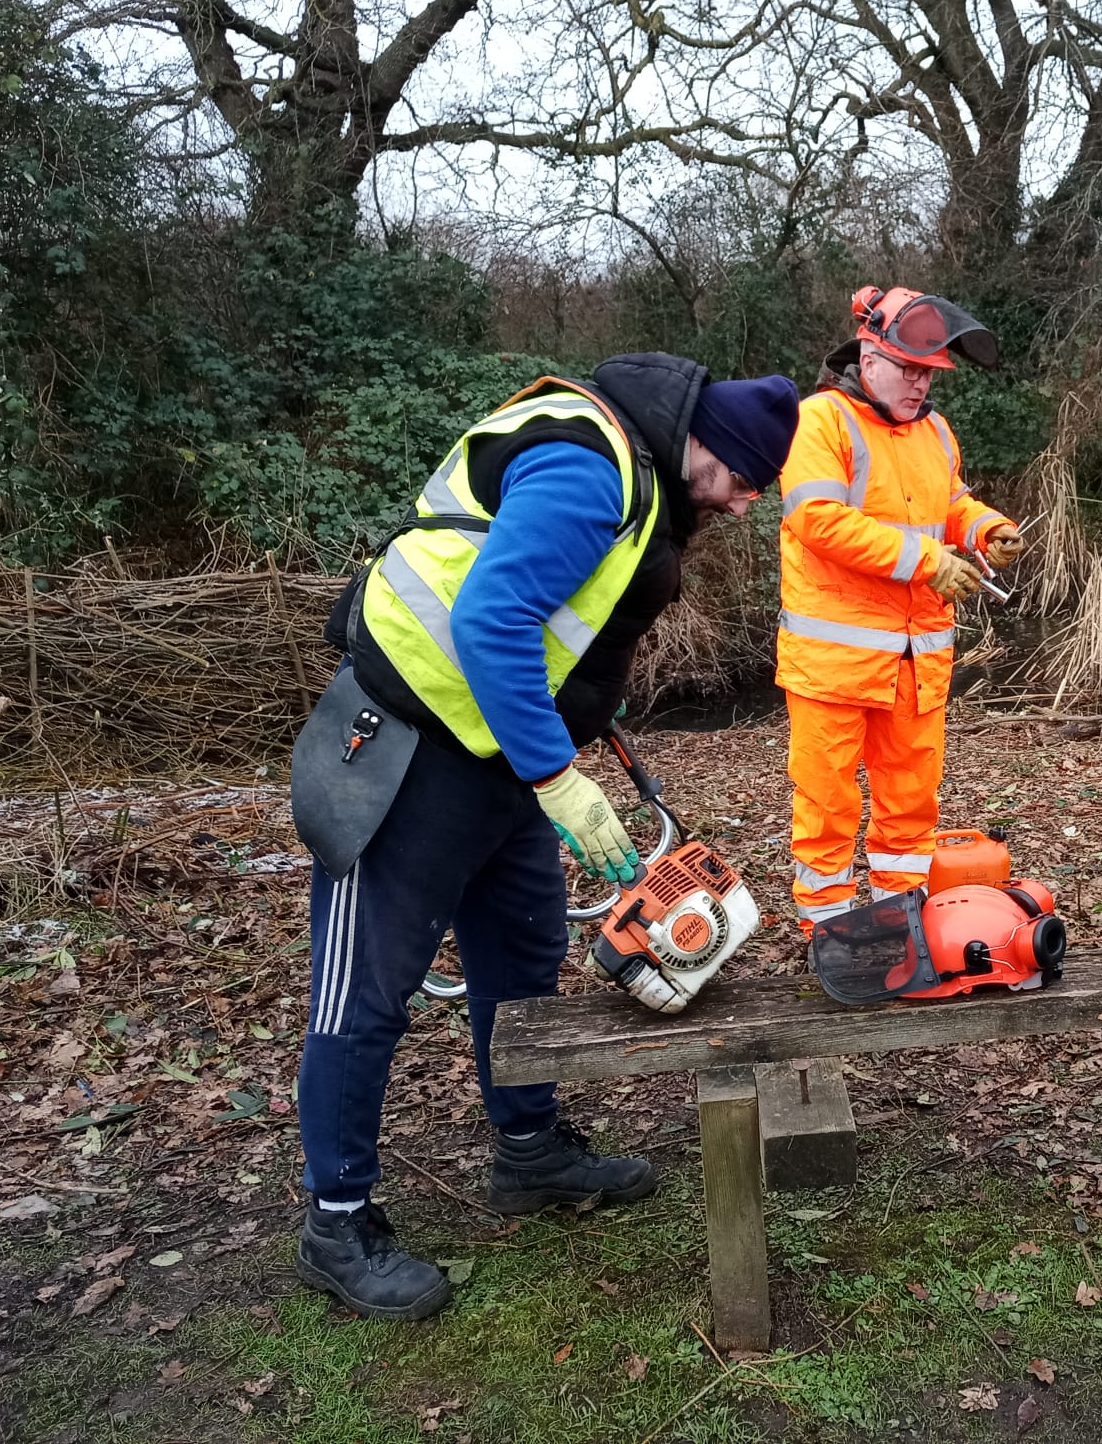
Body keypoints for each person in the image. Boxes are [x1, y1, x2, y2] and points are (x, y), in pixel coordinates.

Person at [288, 354, 798, 1319]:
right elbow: (489, 620)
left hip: (493, 760)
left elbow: (570, 621)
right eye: (742, 483)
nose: (740, 507)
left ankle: (528, 1150)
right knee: (365, 994)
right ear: (710, 448)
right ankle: (337, 1222)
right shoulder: (589, 467)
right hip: (408, 747)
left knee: (523, 952)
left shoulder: (644, 479)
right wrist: (558, 778)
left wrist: (580, 724)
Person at [776, 287, 1024, 931]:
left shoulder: (935, 431)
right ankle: (828, 933)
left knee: (911, 804)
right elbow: (817, 519)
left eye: (930, 373)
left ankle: (897, 926)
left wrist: (984, 528)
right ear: (869, 355)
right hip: (834, 664)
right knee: (827, 804)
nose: (921, 384)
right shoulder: (820, 422)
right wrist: (927, 561)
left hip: (918, 659)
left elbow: (952, 503)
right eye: (910, 369)